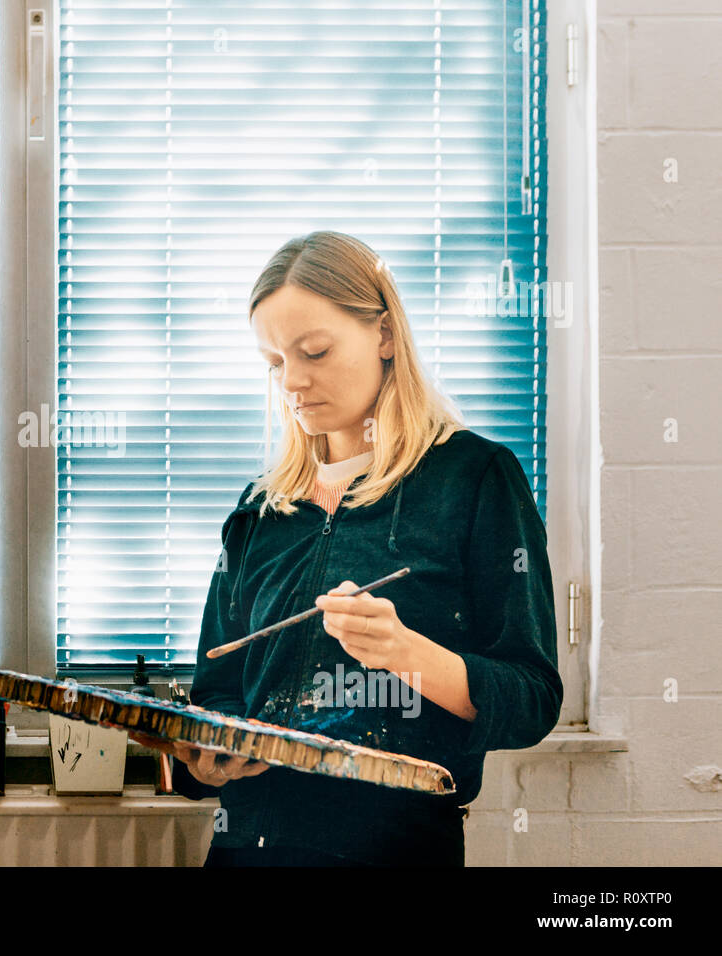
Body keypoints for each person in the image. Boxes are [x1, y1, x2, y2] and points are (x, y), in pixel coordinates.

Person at [129, 230, 563, 867]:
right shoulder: (259, 509)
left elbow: (532, 698)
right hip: (247, 849)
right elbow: (219, 692)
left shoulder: (475, 479)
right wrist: (212, 757)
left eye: (316, 351)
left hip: (394, 851)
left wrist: (407, 654)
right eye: (274, 362)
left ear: (384, 335)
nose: (293, 383)